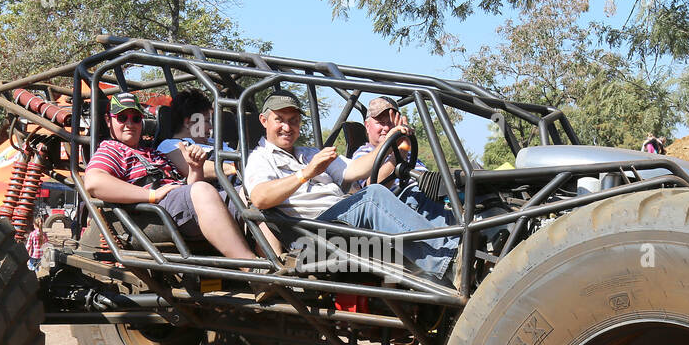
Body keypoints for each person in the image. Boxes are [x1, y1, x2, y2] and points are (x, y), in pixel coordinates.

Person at [243, 91, 458, 282]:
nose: (287, 127)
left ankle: (461, 249)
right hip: (311, 233)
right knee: (372, 196)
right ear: (264, 120)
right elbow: (260, 198)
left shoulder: (308, 153)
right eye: (279, 120)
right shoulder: (260, 159)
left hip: (340, 219)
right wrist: (306, 173)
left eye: (294, 120)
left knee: (413, 195)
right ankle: (449, 262)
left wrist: (389, 144)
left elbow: (355, 169)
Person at [84, 92, 264, 261]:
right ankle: (252, 268)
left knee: (251, 194)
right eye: (122, 118)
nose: (130, 124)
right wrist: (151, 195)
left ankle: (275, 262)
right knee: (202, 190)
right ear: (108, 121)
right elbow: (94, 182)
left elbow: (192, 191)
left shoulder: (152, 152)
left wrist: (195, 169)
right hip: (149, 216)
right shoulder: (111, 149)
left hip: (177, 207)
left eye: (136, 118)